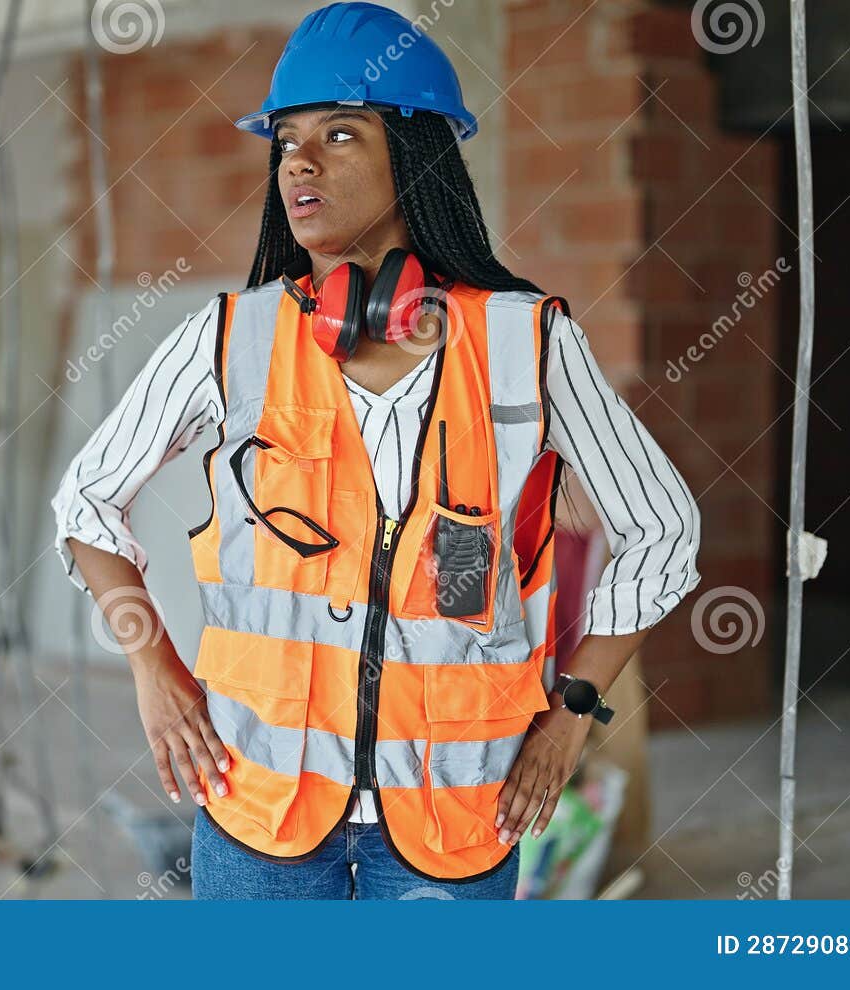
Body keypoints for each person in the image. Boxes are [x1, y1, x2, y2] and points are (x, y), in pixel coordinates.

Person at [51, 1, 700, 900]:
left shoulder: (527, 344)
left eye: (340, 134)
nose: (299, 162)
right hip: (259, 810)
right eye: (285, 141)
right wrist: (152, 669)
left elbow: (662, 533)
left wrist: (571, 718)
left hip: (456, 817)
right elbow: (86, 504)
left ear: (416, 154)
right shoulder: (232, 339)